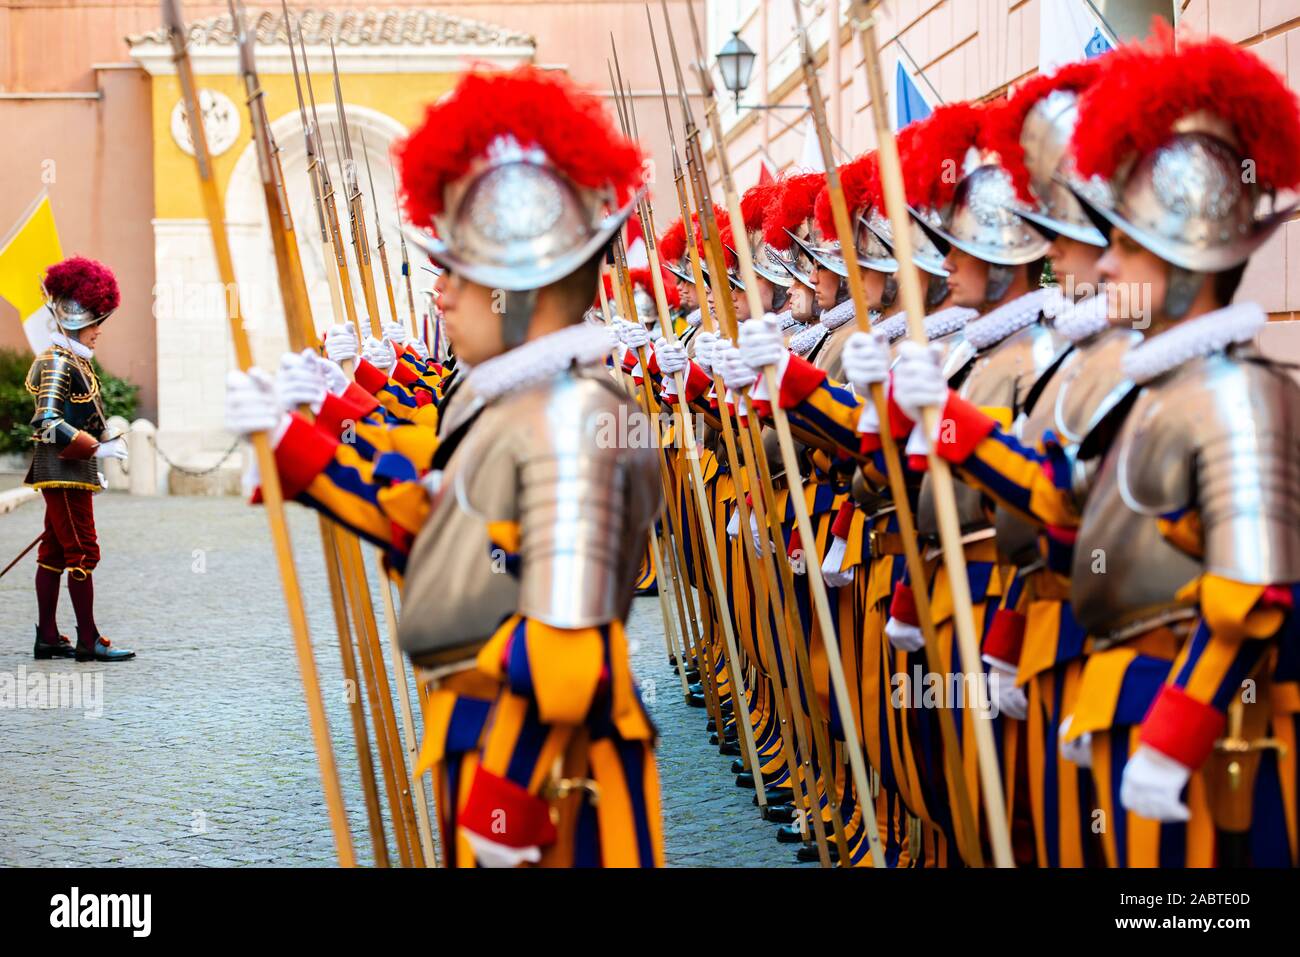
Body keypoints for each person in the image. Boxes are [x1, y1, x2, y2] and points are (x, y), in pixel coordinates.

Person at [225, 64, 663, 868]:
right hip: (490, 747)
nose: (442, 296)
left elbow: (569, 649)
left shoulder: (578, 416)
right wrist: (294, 445)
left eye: (460, 274)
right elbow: (435, 530)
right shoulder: (516, 406)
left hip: (546, 777)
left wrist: (505, 807)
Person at [26, 256, 134, 664]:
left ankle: (49, 637)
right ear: (74, 324)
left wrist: (105, 441)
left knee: (54, 552)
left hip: (72, 471)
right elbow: (47, 422)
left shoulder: (74, 361)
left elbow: (87, 415)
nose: (98, 332)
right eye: (93, 325)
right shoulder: (57, 362)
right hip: (63, 471)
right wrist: (97, 450)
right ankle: (88, 640)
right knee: (83, 552)